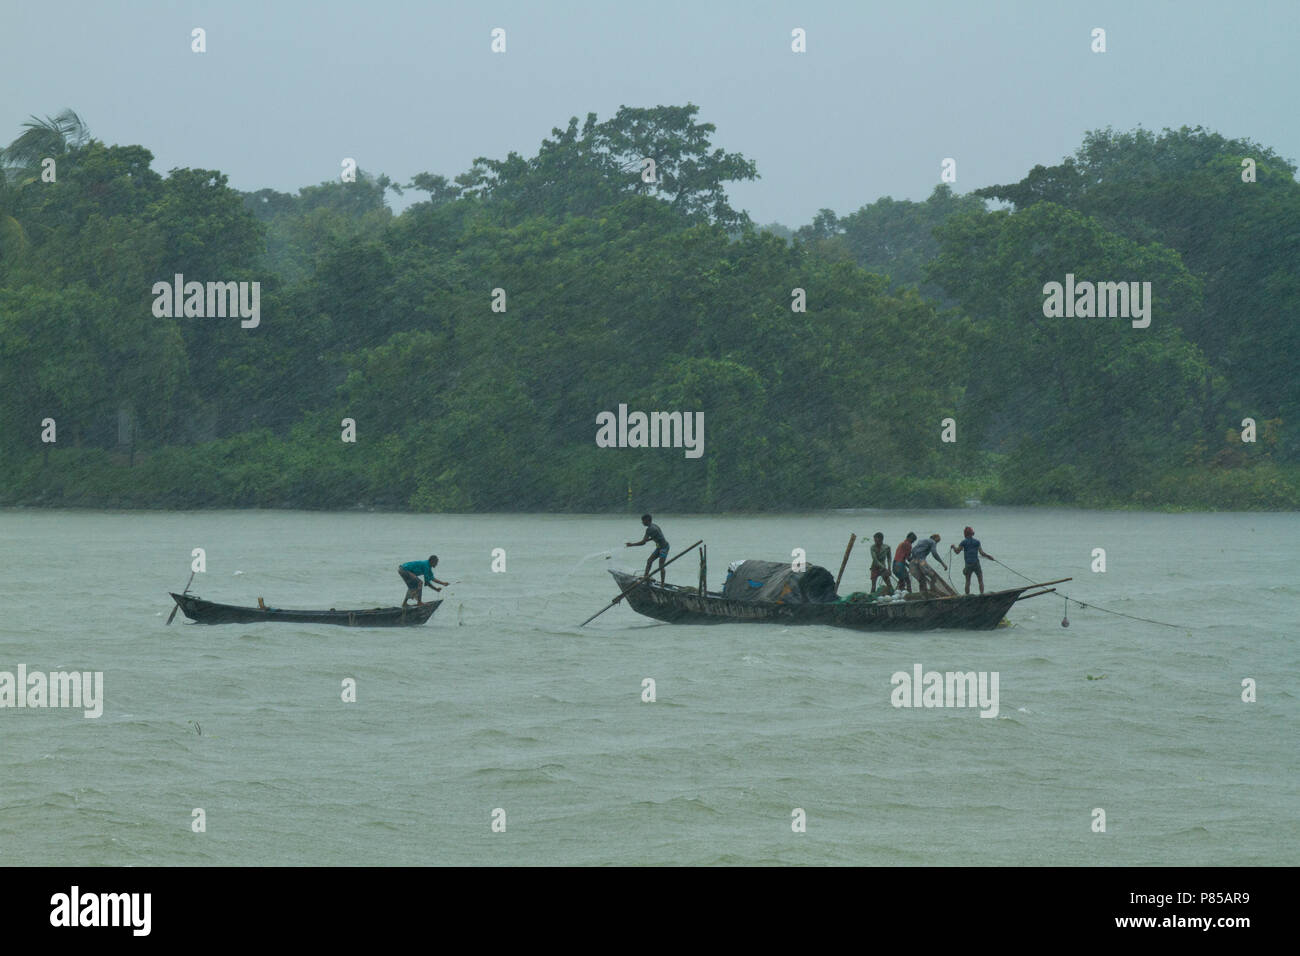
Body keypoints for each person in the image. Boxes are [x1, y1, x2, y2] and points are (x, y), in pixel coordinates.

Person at [951, 526, 994, 595]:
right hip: (976, 563)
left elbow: (957, 551)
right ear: (972, 533)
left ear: (965, 534)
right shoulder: (977, 542)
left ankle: (967, 596)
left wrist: (953, 547)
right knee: (980, 580)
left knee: (968, 581)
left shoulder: (963, 542)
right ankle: (982, 594)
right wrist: (989, 557)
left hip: (968, 564)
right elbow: (982, 553)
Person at [627, 514, 670, 584]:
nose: (642, 522)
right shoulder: (654, 525)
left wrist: (631, 545)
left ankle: (662, 584)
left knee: (661, 565)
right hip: (659, 547)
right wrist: (647, 540)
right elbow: (656, 536)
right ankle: (645, 577)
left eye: (643, 521)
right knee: (649, 561)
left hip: (664, 548)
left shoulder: (650, 529)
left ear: (647, 520)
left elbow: (643, 543)